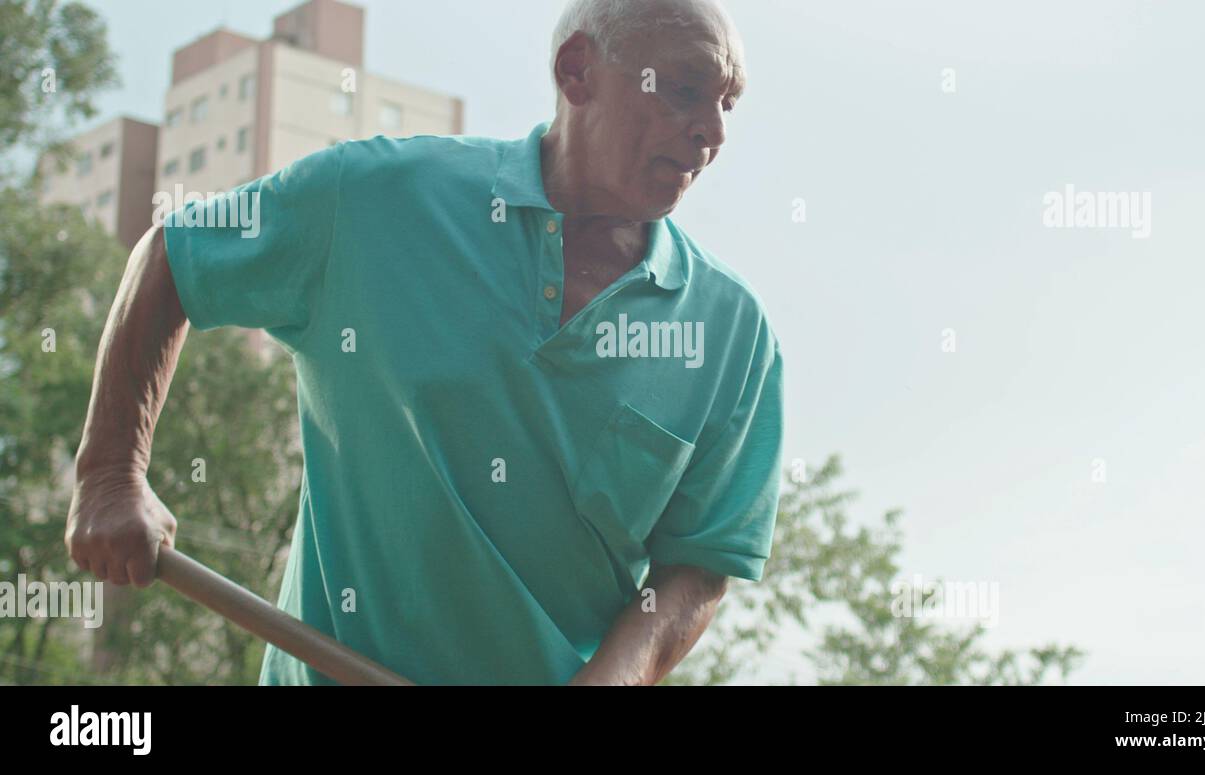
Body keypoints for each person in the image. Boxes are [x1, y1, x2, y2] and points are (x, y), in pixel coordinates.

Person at [66, 0, 783, 685]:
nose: (711, 132)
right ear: (576, 71)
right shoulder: (374, 198)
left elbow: (695, 568)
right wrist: (109, 473)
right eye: (685, 90)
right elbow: (173, 256)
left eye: (728, 103)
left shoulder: (733, 338)